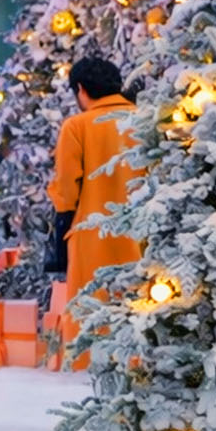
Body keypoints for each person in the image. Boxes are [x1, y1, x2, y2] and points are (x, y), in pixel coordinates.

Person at [49, 57, 143, 340]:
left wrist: (61, 211)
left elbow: (66, 188)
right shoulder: (144, 120)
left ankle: (89, 360)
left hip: (92, 233)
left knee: (90, 310)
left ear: (80, 89)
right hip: (141, 232)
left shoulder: (77, 126)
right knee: (139, 305)